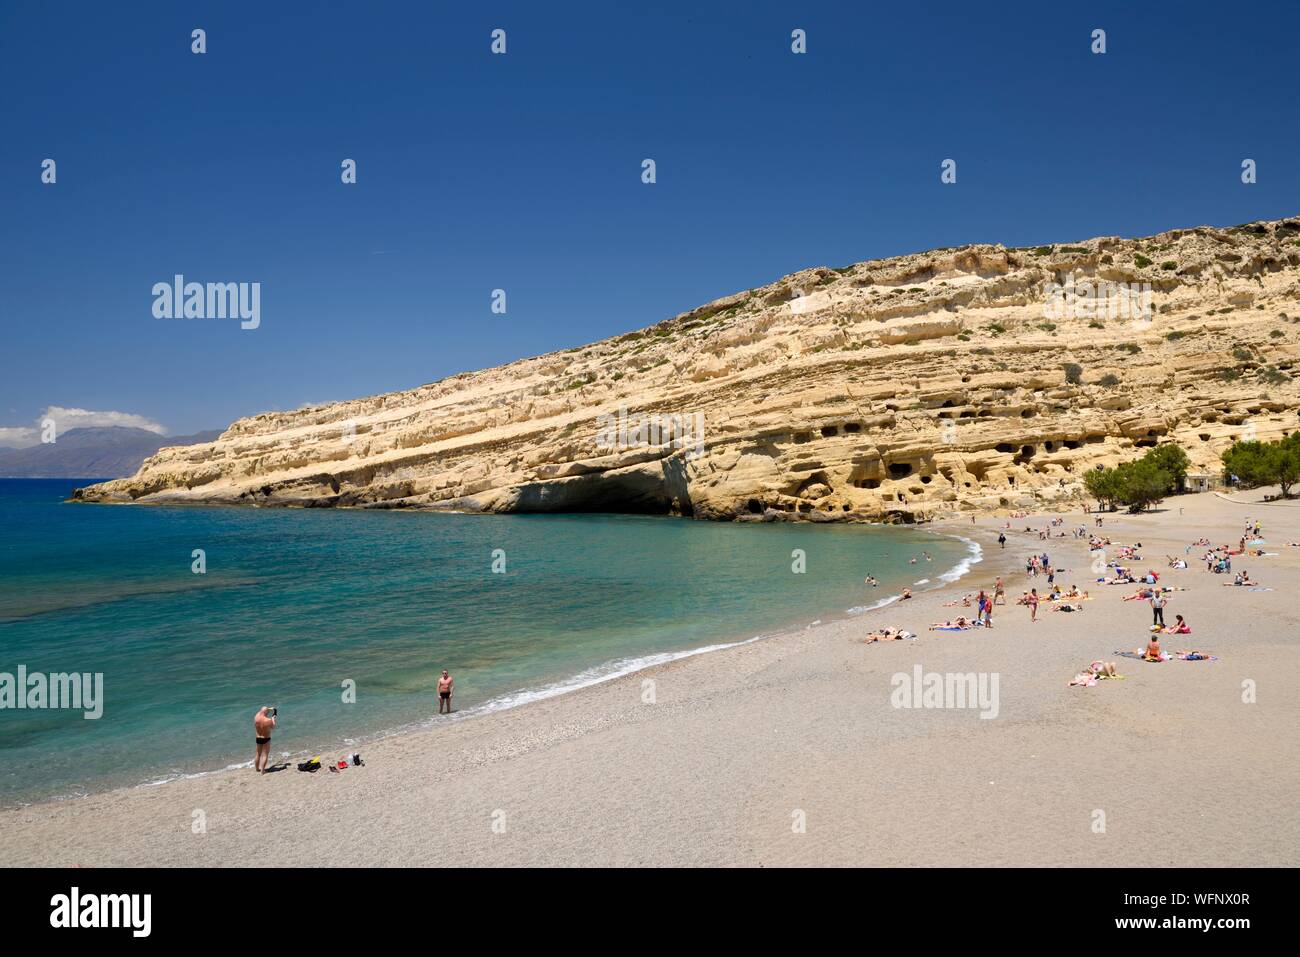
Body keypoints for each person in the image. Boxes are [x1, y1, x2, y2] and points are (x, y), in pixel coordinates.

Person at [254, 706, 276, 774]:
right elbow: (273, 727)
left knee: (258, 754)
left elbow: (262, 711)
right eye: (268, 712)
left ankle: (257, 769)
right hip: (266, 738)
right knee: (265, 754)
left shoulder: (256, 716)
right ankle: (262, 770)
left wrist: (268, 709)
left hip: (258, 737)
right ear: (266, 712)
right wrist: (273, 719)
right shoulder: (267, 720)